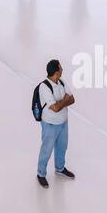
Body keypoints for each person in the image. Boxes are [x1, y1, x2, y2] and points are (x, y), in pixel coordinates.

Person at [33, 59, 75, 187]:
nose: (63, 70)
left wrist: (60, 103)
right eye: (61, 68)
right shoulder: (44, 87)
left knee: (62, 147)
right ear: (56, 72)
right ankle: (41, 174)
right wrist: (64, 101)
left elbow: (72, 99)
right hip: (50, 125)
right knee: (47, 149)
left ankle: (60, 168)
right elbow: (55, 108)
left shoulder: (61, 82)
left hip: (63, 123)